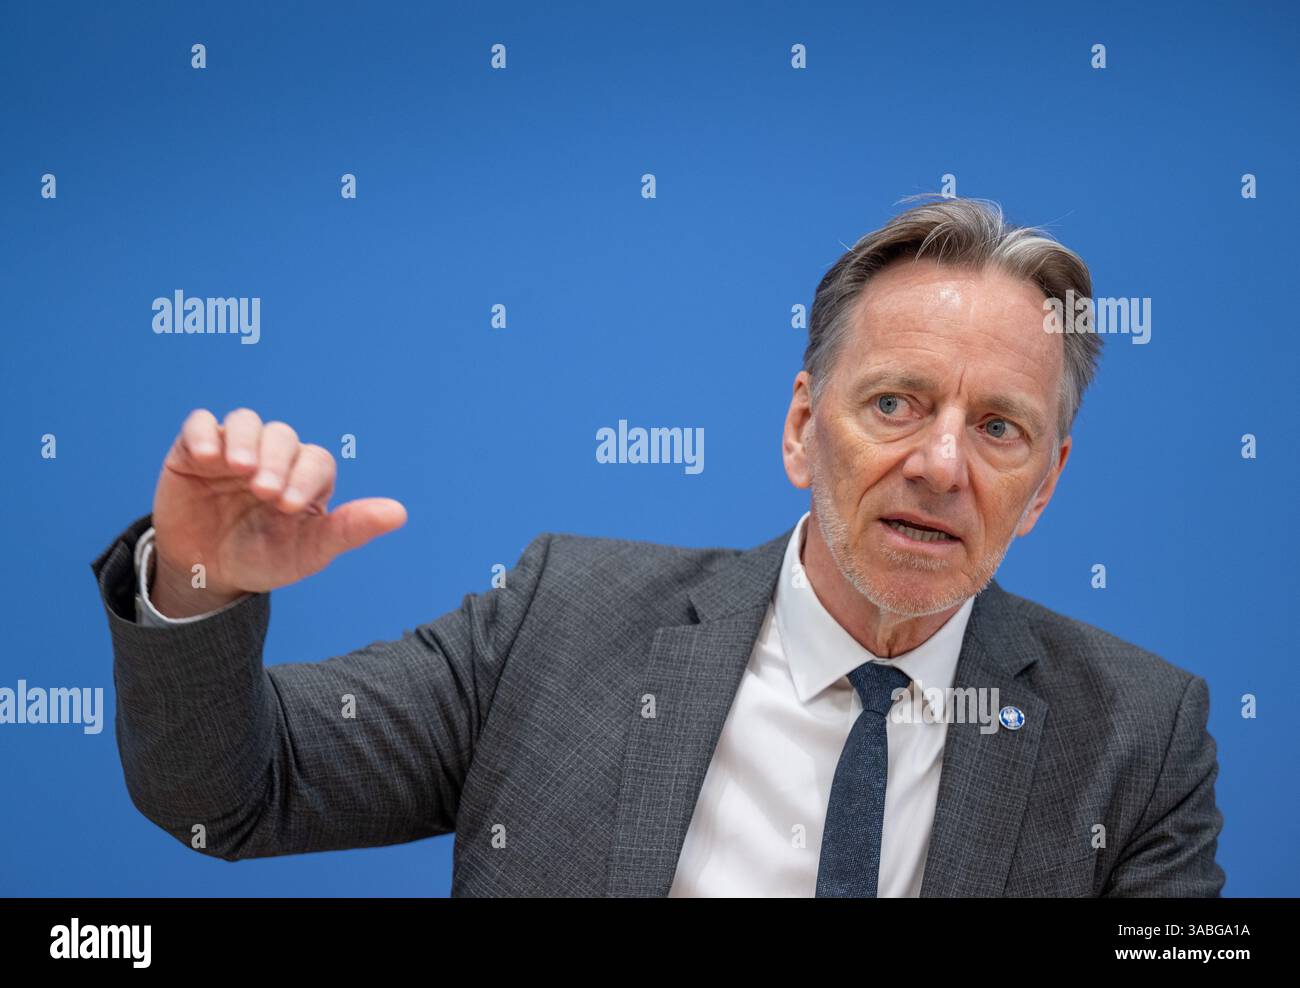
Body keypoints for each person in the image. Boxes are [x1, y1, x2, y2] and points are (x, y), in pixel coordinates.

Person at [90, 196, 1225, 896]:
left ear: (1043, 487)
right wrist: (198, 581)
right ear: (798, 427)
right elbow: (229, 794)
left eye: (997, 428)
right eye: (893, 404)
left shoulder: (1138, 734)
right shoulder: (560, 622)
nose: (939, 463)